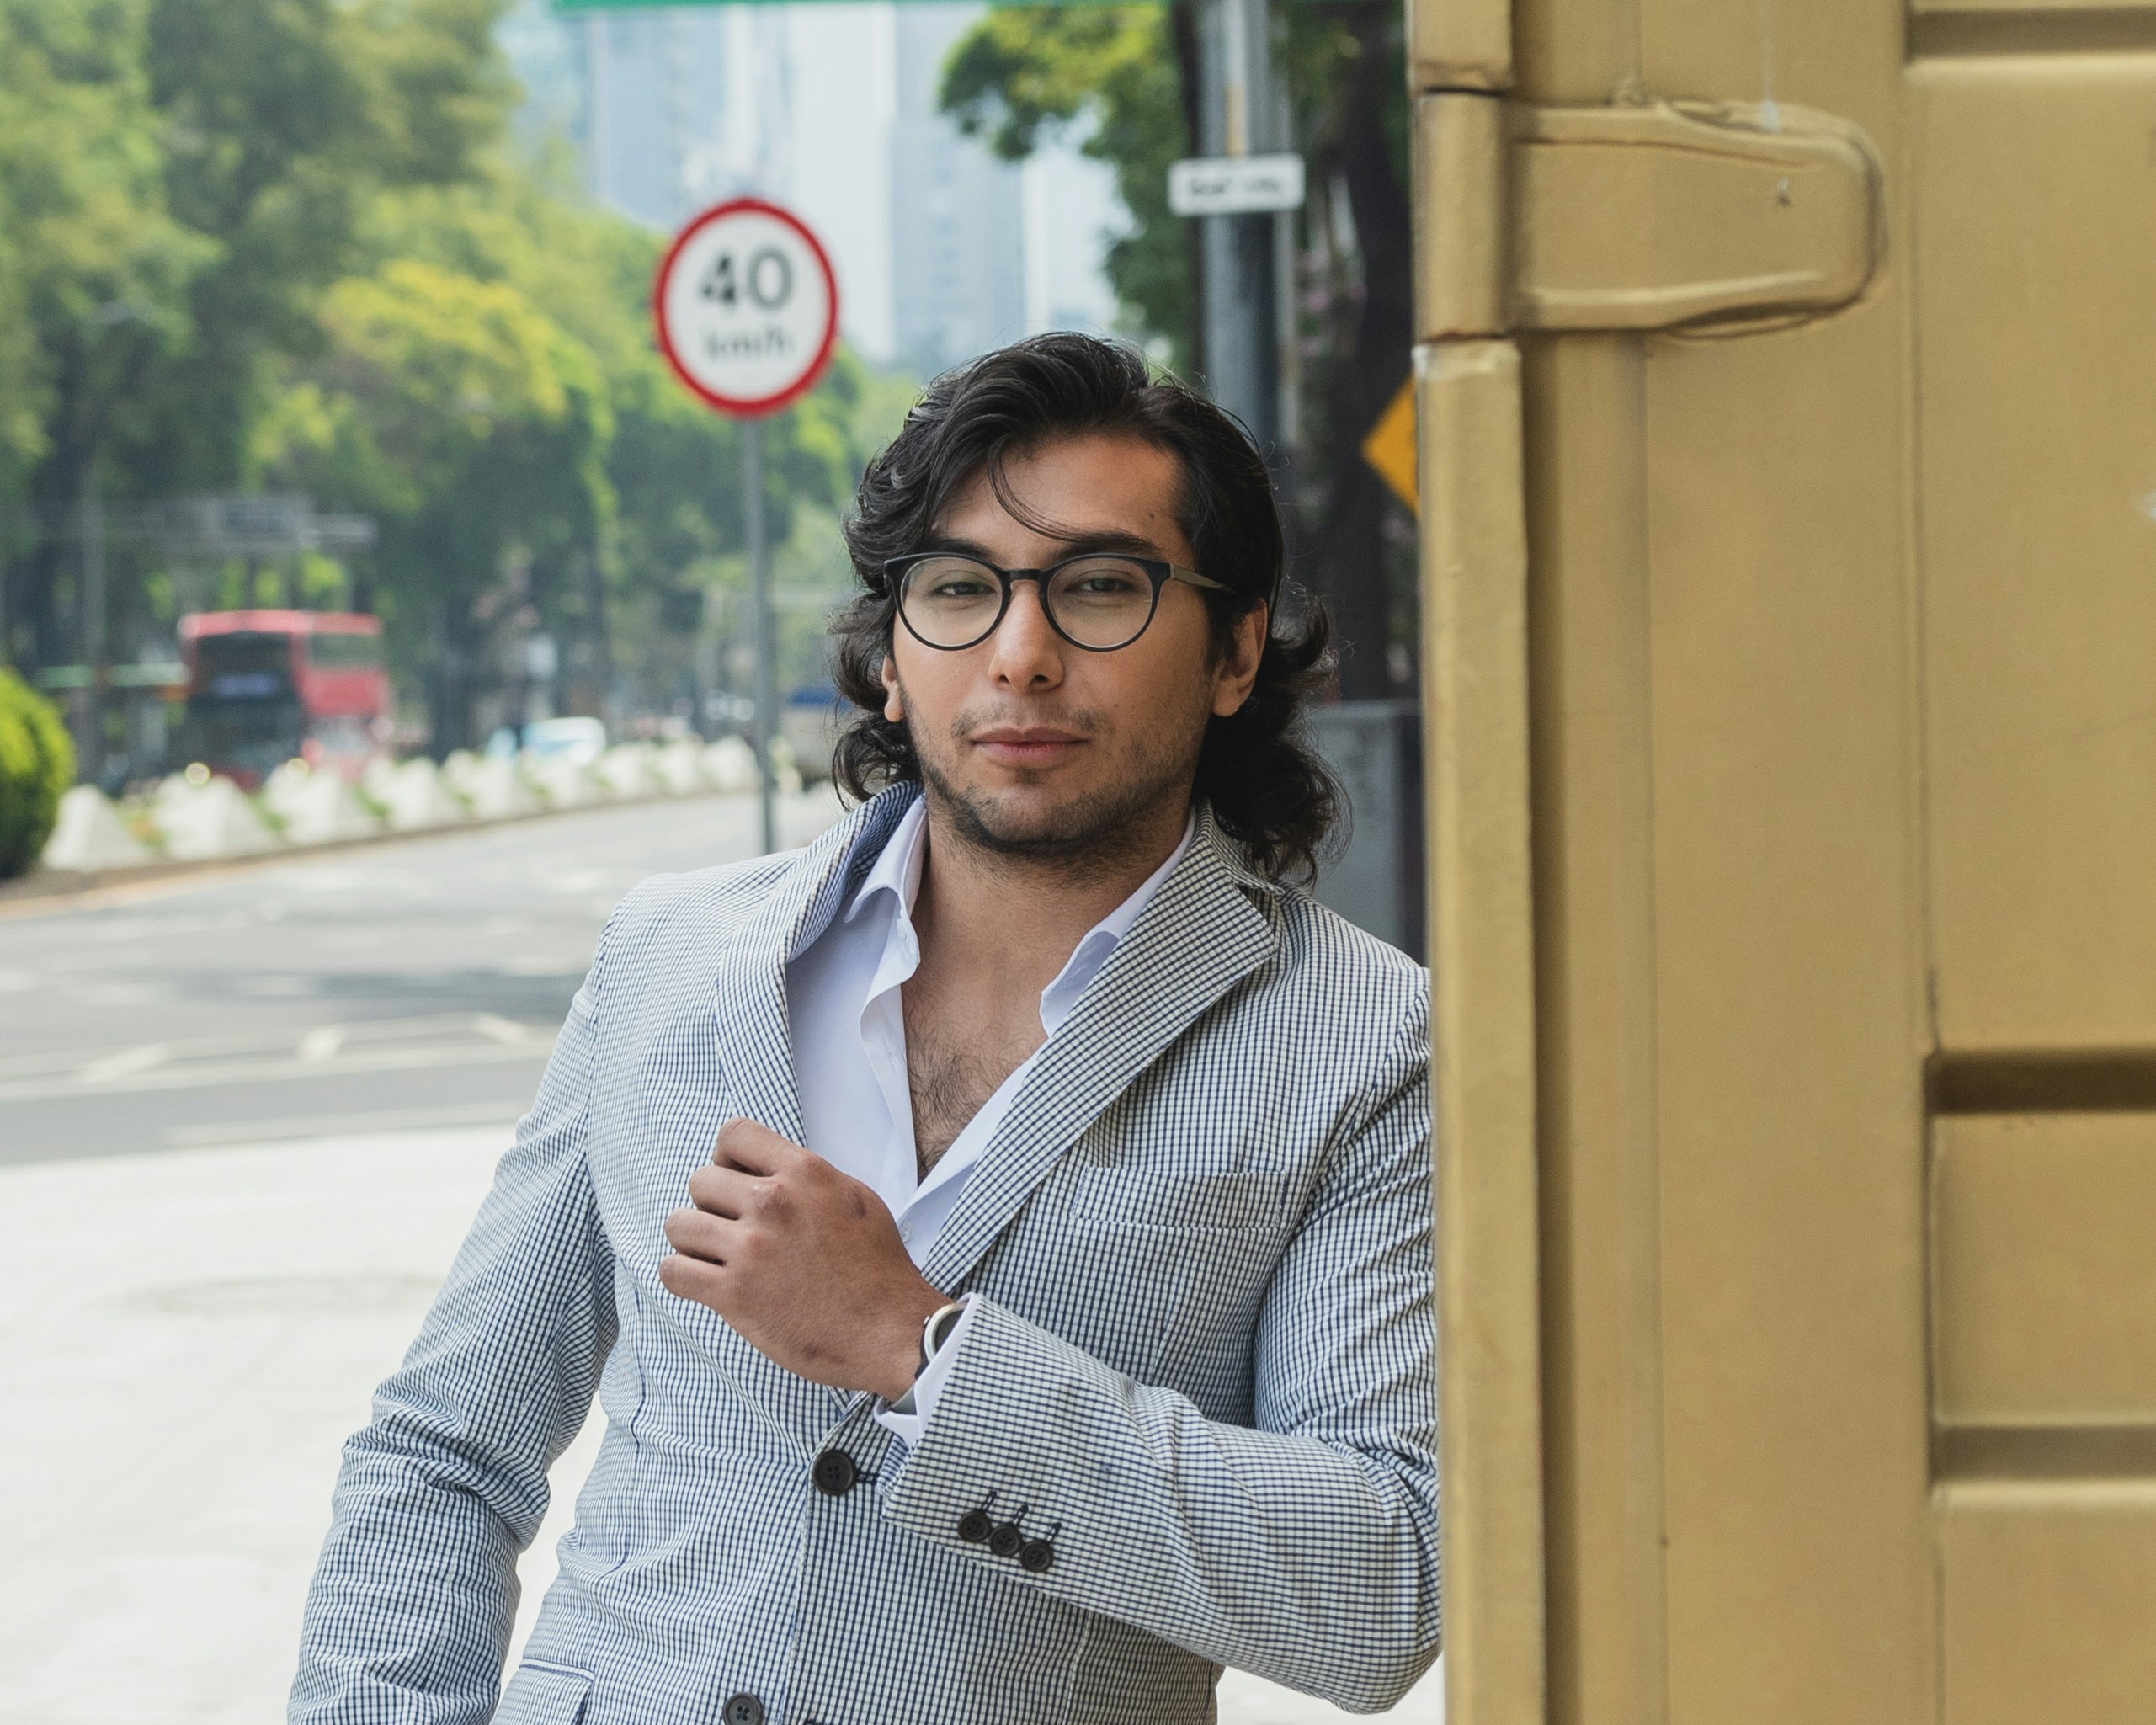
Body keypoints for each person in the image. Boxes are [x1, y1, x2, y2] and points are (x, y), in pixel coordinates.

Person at [290, 333, 1439, 1725]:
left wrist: (924, 1347)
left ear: (1234, 650)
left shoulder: (1369, 1044)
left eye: (1099, 589)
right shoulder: (673, 958)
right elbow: (443, 1453)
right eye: (958, 589)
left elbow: (1381, 1579)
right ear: (892, 656)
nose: (1019, 655)